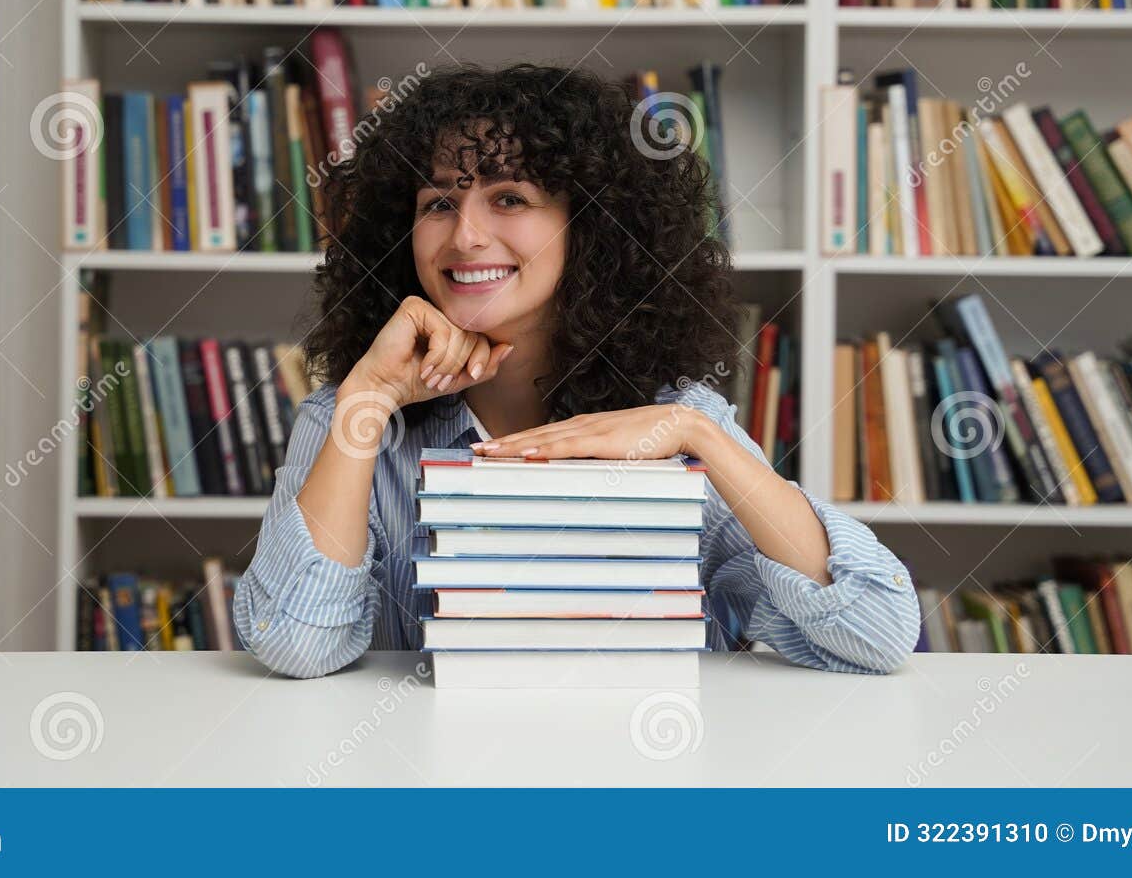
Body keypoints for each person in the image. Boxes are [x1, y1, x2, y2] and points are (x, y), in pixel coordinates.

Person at [234, 63, 919, 677]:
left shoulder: (679, 425)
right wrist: (372, 394)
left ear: (589, 229)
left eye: (509, 198)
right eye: (438, 202)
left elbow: (878, 634)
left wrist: (700, 436)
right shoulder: (350, 419)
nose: (465, 235)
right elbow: (296, 643)